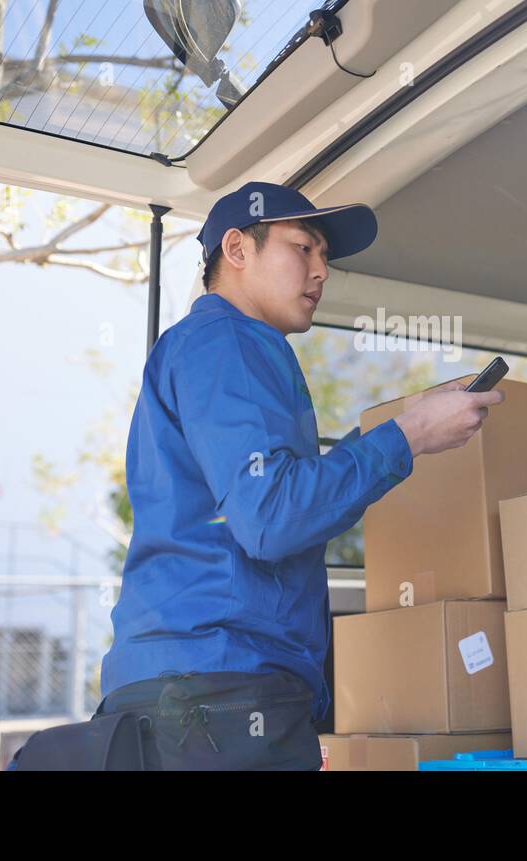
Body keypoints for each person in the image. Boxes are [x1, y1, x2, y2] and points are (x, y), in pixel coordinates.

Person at [94, 180, 504, 769]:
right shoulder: (228, 341)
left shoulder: (207, 348)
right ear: (236, 250)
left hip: (191, 694)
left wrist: (408, 422)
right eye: (303, 248)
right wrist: (410, 436)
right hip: (219, 695)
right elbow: (272, 518)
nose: (321, 271)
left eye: (325, 258)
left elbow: (261, 502)